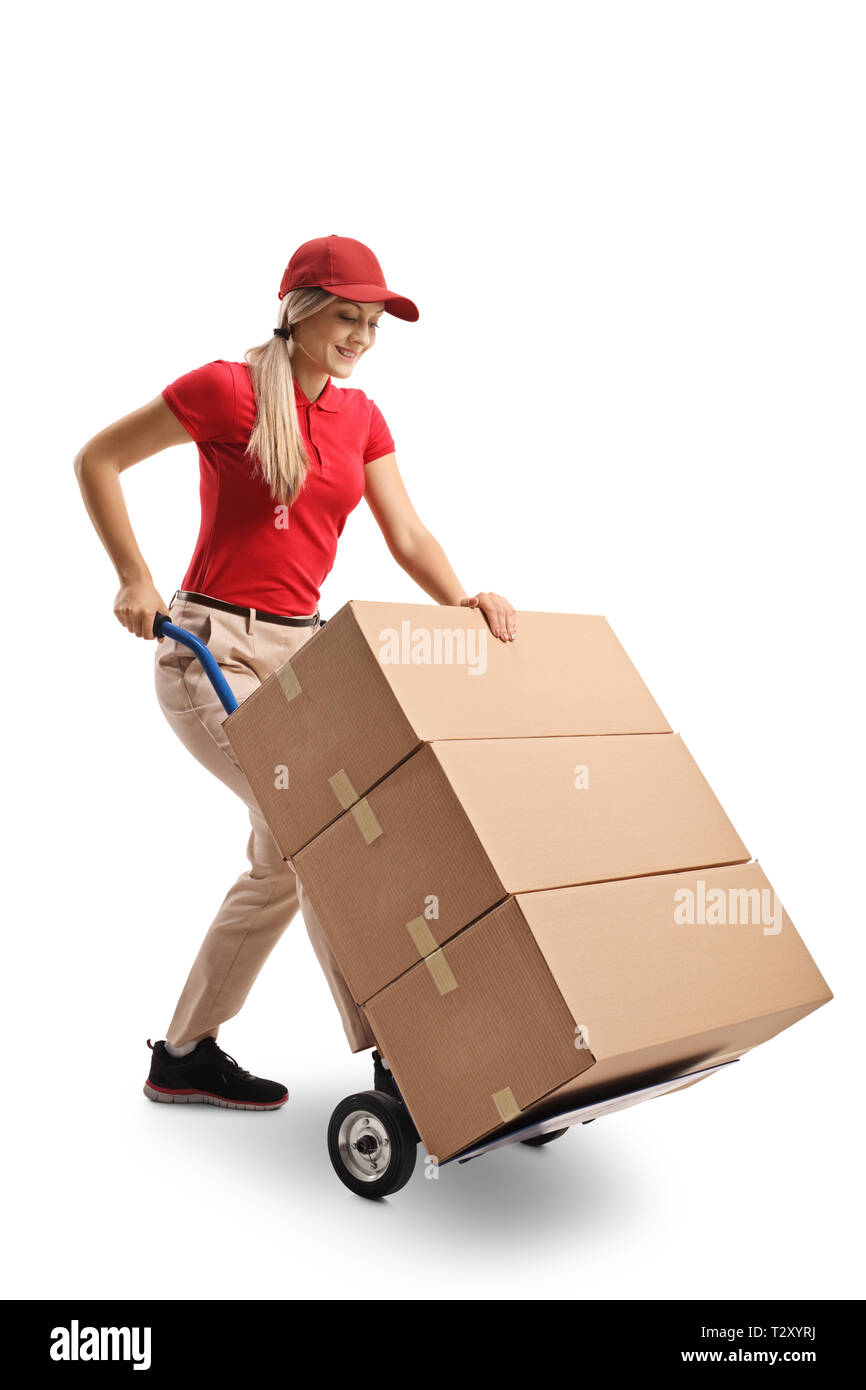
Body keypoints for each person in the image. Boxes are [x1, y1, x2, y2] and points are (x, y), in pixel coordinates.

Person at [74, 234, 517, 1112]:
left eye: (374, 321)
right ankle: (402, 1056)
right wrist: (132, 574)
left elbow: (406, 533)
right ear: (302, 310)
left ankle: (185, 1053)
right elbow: (98, 460)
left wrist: (459, 600)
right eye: (347, 315)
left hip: (306, 657)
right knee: (322, 836)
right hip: (213, 647)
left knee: (284, 862)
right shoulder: (225, 391)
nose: (362, 335)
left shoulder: (362, 418)